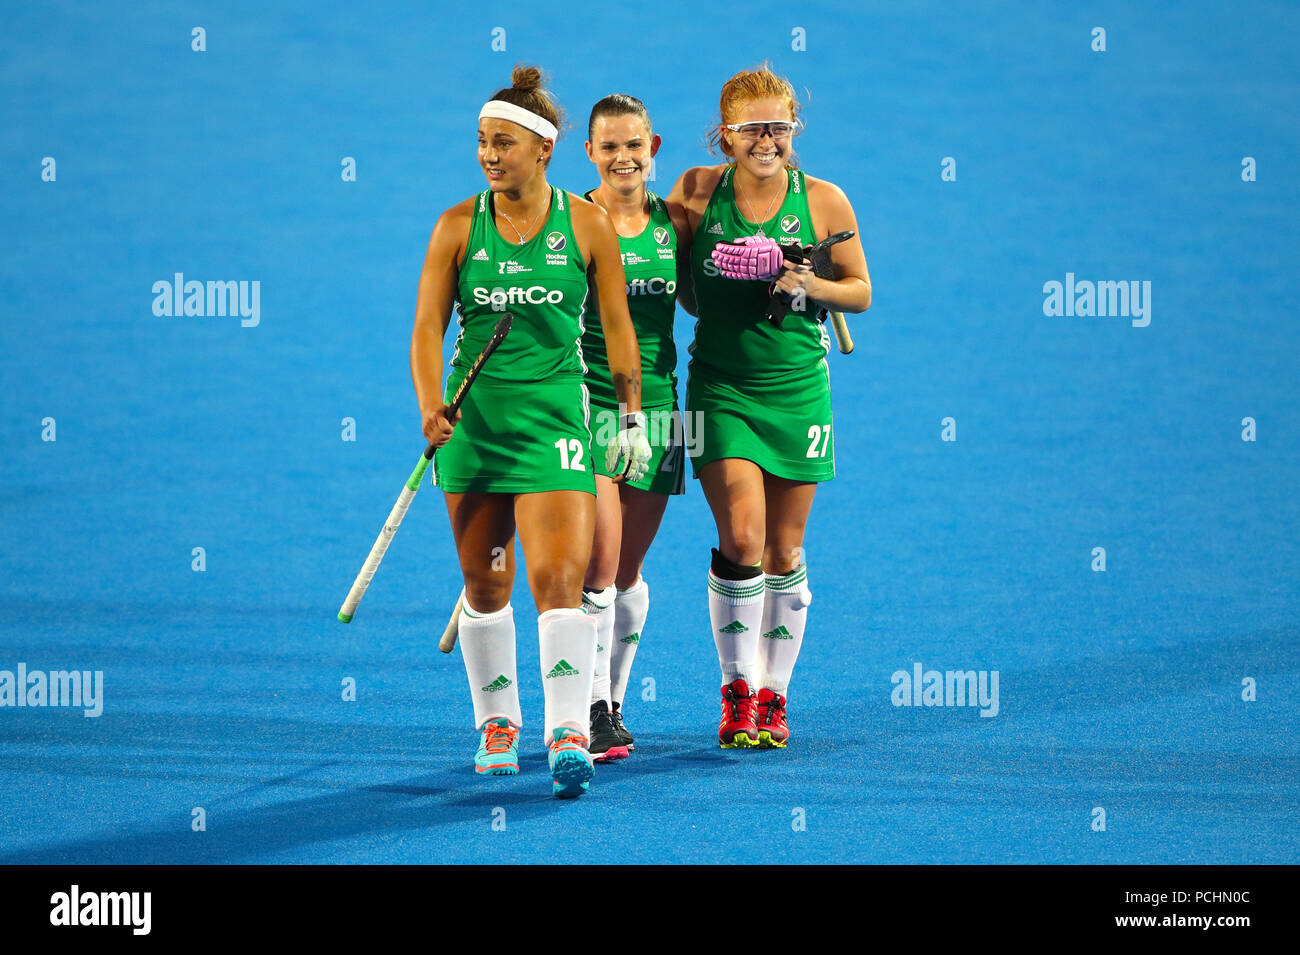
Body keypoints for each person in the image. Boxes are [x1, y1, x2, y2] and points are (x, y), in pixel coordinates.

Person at [410, 65, 650, 797]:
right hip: (476, 428)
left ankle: (569, 728)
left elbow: (616, 329)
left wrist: (632, 416)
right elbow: (426, 329)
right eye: (482, 142)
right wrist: (430, 403)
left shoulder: (586, 225)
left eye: (503, 143)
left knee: (558, 582)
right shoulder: (457, 225)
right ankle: (497, 722)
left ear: (544, 150)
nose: (488, 154)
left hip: (555, 425)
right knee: (486, 584)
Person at [665, 63, 872, 749]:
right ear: (723, 135)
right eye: (751, 128)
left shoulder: (825, 202)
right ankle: (735, 689)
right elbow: (683, 287)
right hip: (720, 385)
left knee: (785, 548)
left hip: (797, 390)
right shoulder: (695, 191)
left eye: (779, 127)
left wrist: (805, 281)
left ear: (794, 131)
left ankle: (774, 695)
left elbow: (861, 292)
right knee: (744, 538)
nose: (766, 139)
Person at [577, 95, 692, 761]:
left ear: (653, 146)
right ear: (588, 153)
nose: (623, 158)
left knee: (627, 569)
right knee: (598, 560)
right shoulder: (570, 219)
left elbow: (707, 290)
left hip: (658, 409)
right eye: (608, 147)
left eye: (633, 145)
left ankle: (613, 703)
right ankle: (587, 707)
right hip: (588, 405)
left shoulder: (673, 222)